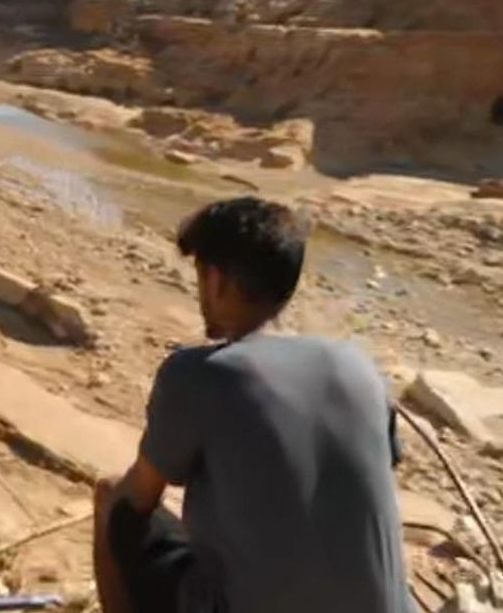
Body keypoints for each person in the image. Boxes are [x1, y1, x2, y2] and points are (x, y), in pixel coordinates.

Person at [93, 197, 409, 613]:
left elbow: (139, 495)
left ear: (217, 280)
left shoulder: (201, 373)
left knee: (111, 498)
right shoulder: (358, 366)